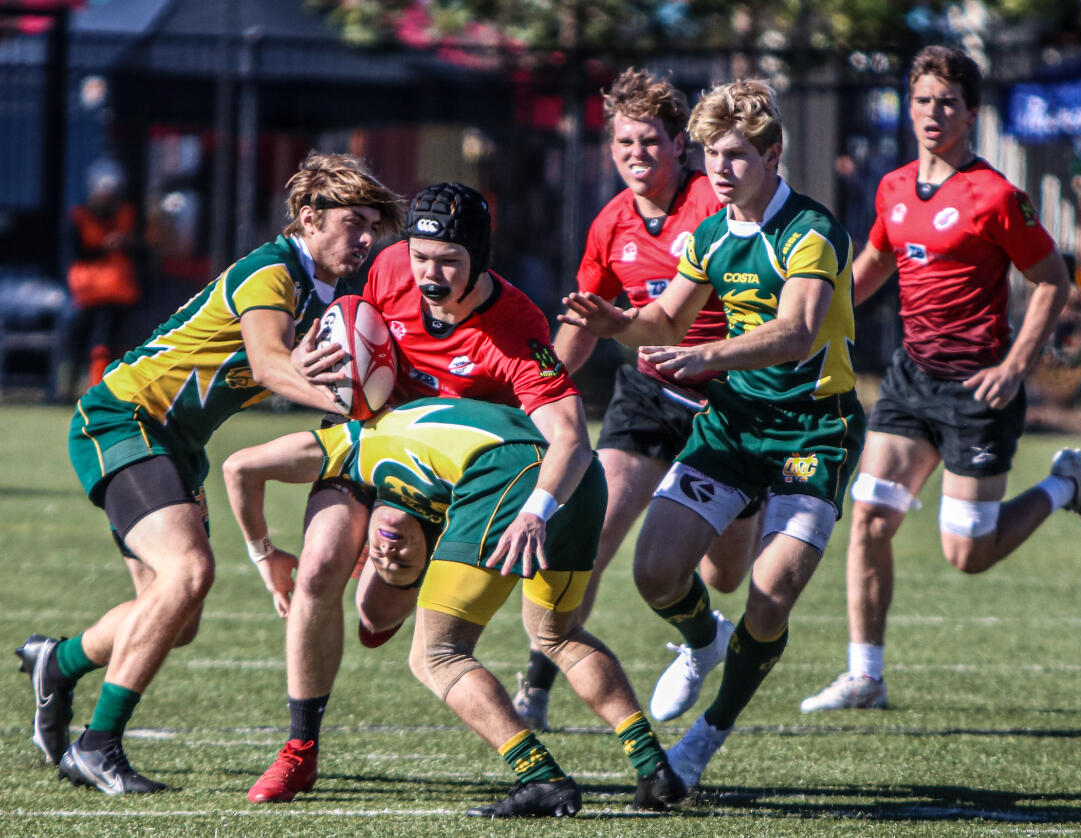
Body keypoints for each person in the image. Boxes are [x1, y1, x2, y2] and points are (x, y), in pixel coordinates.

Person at [13, 151, 404, 794]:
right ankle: (97, 744)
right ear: (309, 218)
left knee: (176, 615)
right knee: (190, 573)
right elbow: (272, 365)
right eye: (354, 221)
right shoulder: (271, 272)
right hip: (125, 417)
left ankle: (61, 660)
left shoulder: (326, 295)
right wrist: (358, 404)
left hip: (178, 442)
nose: (365, 238)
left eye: (373, 226)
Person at [245, 182, 593, 803]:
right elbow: (350, 339)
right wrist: (313, 357)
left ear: (479, 261)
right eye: (420, 257)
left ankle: (393, 565)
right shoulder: (387, 270)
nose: (429, 274)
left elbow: (560, 432)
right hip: (369, 435)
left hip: (443, 475)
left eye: (449, 263)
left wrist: (538, 506)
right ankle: (300, 747)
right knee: (320, 564)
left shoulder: (517, 324)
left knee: (377, 617)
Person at [561, 78, 863, 790]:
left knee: (770, 591)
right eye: (710, 156)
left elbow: (794, 333)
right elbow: (664, 321)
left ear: (772, 155)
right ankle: (703, 639)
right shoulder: (711, 234)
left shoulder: (811, 233)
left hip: (812, 433)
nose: (719, 170)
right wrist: (615, 324)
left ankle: (705, 737)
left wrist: (706, 356)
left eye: (733, 156)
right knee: (654, 571)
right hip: (733, 426)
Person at [800, 45, 1081, 714]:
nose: (933, 113)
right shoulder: (893, 186)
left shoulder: (995, 195)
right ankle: (865, 676)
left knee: (967, 555)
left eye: (947, 101)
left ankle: (1065, 485)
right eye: (922, 100)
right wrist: (818, 321)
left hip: (978, 391)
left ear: (970, 111)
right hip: (912, 384)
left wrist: (1014, 366)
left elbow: (1052, 280)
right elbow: (879, 260)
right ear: (908, 109)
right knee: (870, 518)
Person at [223, 397, 687, 816]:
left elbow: (239, 466)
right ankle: (653, 768)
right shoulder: (416, 425)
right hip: (576, 477)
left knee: (436, 654)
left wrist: (263, 554)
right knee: (558, 633)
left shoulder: (349, 442)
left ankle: (540, 777)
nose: (387, 552)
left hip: (509, 474)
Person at [511, 67, 763, 732]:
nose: (636, 155)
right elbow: (583, 321)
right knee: (591, 532)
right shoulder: (610, 223)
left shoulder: (716, 203)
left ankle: (705, 625)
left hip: (732, 404)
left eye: (649, 142)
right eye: (624, 143)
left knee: (727, 573)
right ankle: (536, 680)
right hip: (649, 395)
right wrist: (537, 388)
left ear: (678, 145)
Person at [65, 159, 142, 392]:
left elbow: (146, 248)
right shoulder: (79, 217)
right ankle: (70, 387)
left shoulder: (128, 213)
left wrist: (127, 243)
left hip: (119, 293)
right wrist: (105, 247)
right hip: (87, 292)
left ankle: (104, 389)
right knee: (82, 342)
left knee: (111, 343)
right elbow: (75, 252)